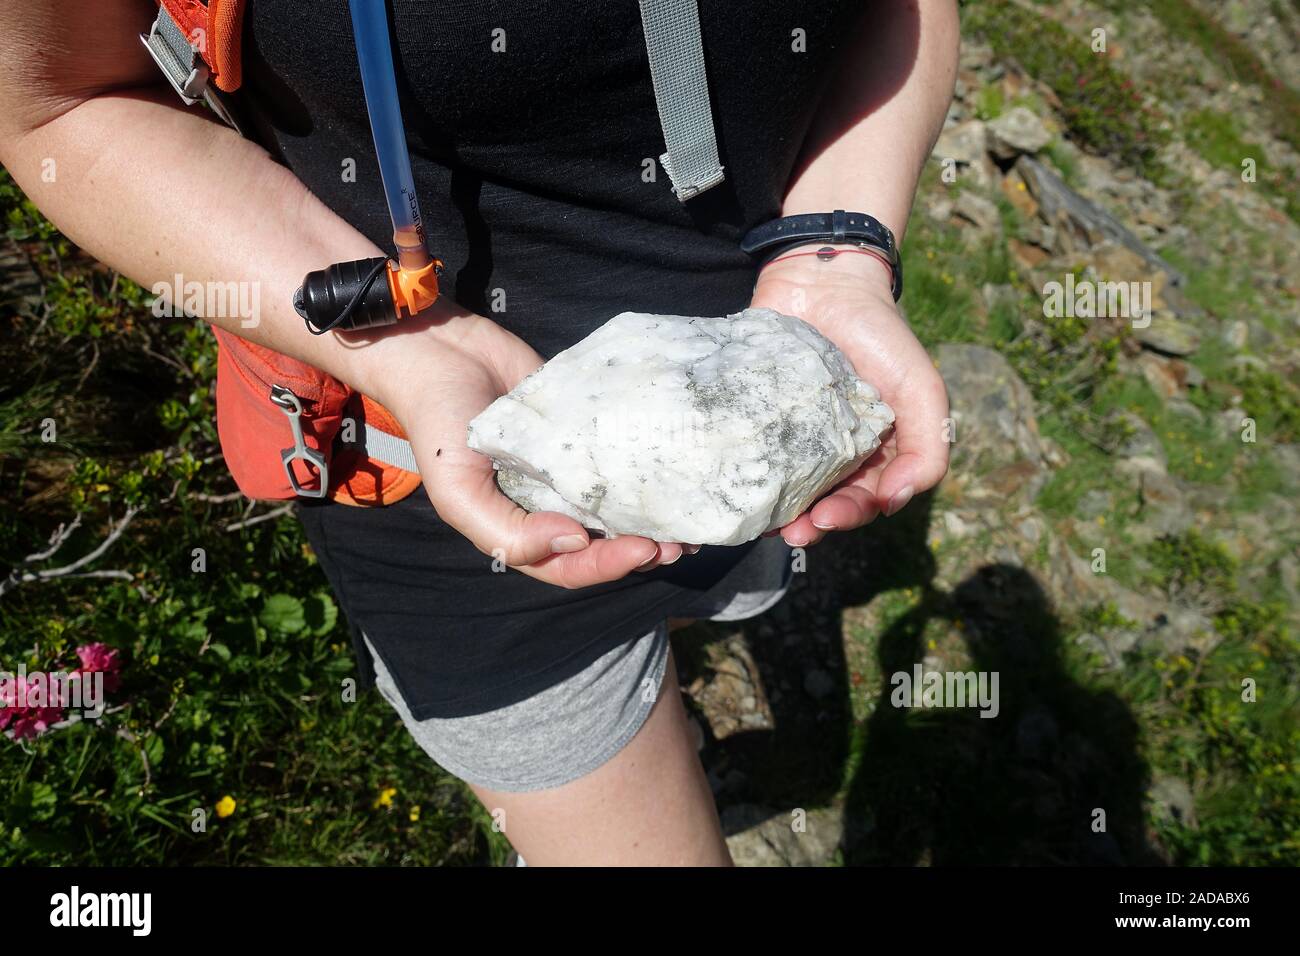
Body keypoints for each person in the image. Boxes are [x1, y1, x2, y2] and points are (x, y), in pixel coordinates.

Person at [0, 0, 957, 865]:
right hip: (439, 458)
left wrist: (837, 249)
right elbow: (62, 105)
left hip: (758, 378)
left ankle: (673, 674)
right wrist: (410, 354)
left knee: (691, 593)